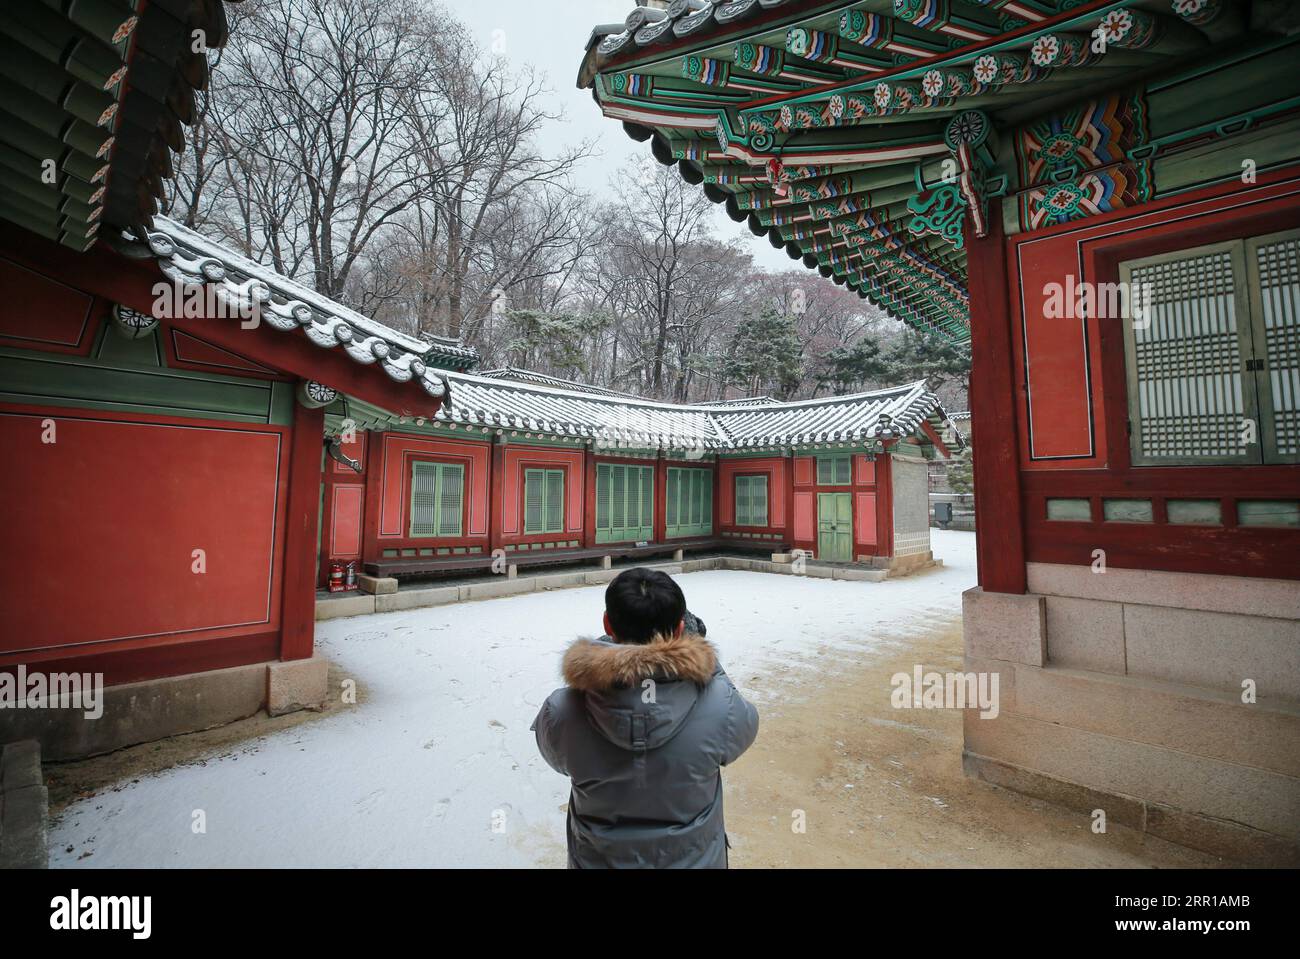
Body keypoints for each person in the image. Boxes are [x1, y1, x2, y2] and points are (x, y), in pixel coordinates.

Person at [531, 567, 759, 868]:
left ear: (607, 623)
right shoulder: (720, 706)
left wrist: (595, 664)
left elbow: (558, 759)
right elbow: (745, 729)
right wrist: (706, 663)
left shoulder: (563, 710)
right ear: (680, 629)